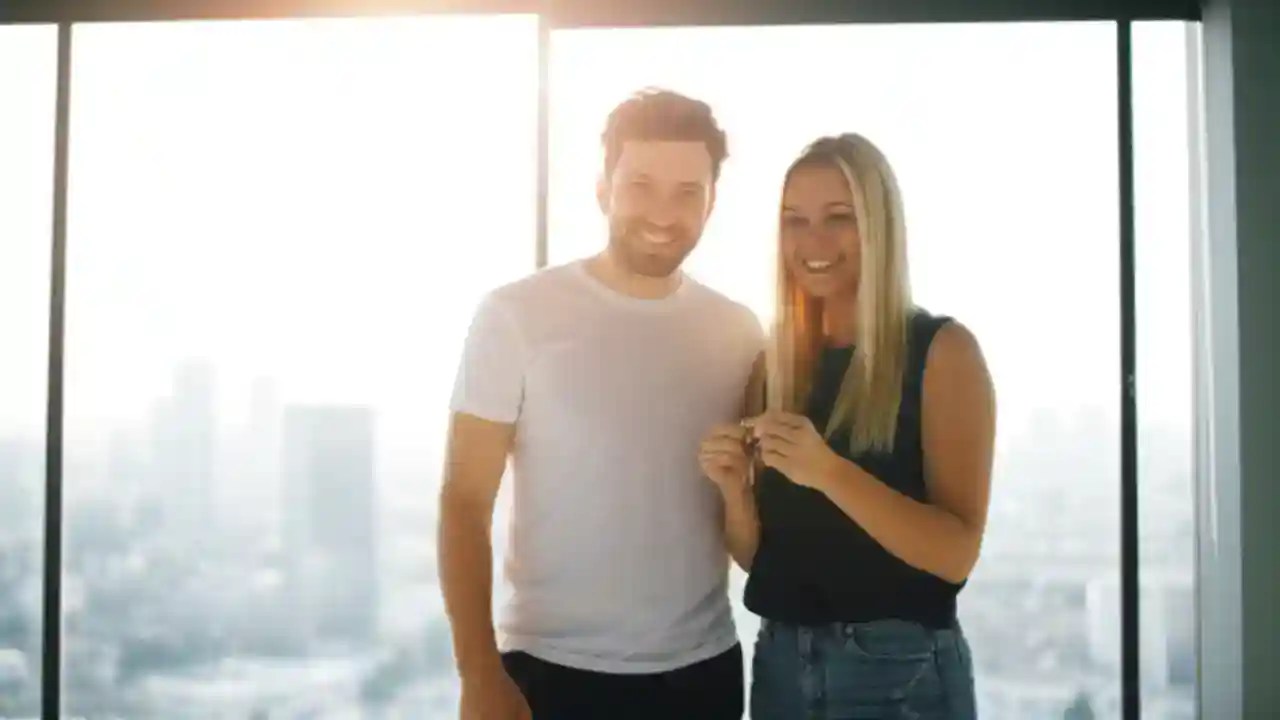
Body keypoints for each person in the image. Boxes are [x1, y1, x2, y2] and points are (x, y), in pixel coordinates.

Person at [438, 88, 764, 720]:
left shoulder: (740, 332)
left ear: (712, 202)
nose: (663, 213)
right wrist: (478, 675)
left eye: (687, 192)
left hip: (703, 677)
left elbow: (750, 515)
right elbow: (463, 502)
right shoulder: (516, 315)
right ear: (602, 187)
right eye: (641, 184)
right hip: (549, 674)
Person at [698, 133, 996, 719]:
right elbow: (764, 561)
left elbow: (955, 554)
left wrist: (829, 473)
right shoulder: (774, 366)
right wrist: (734, 490)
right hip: (781, 662)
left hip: (899, 673)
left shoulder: (943, 353)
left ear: (878, 227)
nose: (813, 242)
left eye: (839, 218)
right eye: (794, 220)